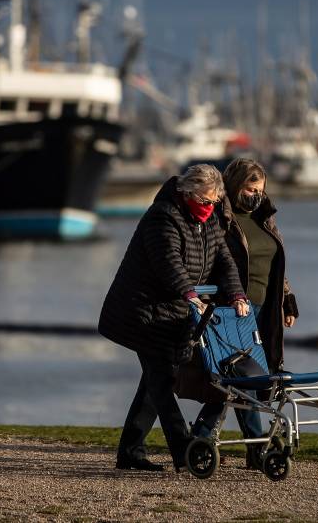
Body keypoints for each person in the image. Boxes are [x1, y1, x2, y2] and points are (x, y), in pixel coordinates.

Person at [98, 164, 248, 472]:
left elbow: (224, 261)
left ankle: (130, 452)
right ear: (187, 193)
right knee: (162, 379)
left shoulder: (211, 221)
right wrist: (190, 294)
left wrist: (237, 295)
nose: (210, 207)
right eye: (204, 201)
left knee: (154, 381)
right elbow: (169, 263)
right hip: (142, 310)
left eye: (214, 202)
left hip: (175, 312)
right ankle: (185, 451)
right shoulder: (162, 216)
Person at [188, 158, 300, 467]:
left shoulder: (265, 216)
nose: (256, 195)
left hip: (264, 307)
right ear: (237, 186)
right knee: (235, 377)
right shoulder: (220, 217)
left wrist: (287, 299)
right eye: (251, 189)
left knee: (250, 378)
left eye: (261, 190)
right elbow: (212, 260)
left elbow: (275, 263)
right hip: (231, 308)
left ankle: (243, 443)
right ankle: (238, 441)